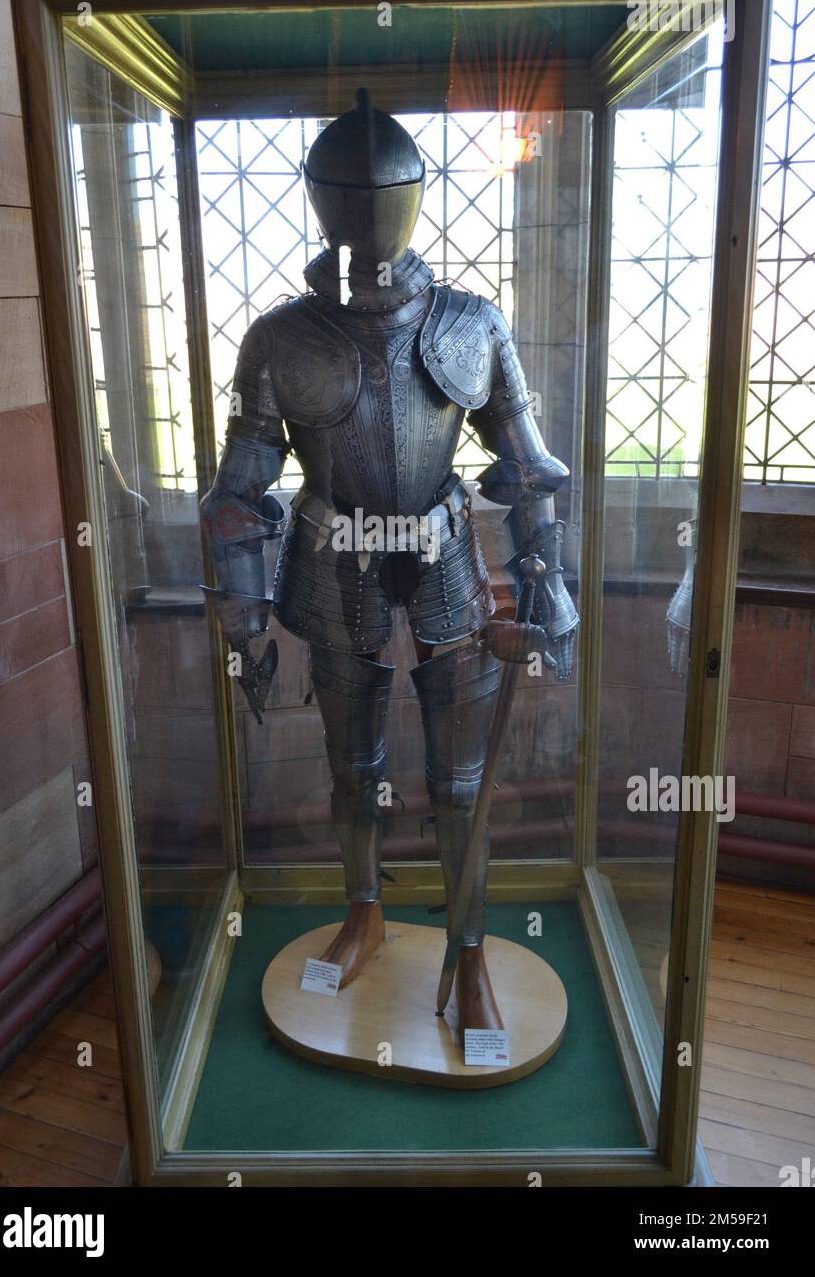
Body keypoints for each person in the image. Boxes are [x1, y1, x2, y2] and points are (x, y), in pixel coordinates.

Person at [201, 90, 578, 1036]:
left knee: (458, 788)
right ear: (323, 202)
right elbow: (239, 492)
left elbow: (527, 470)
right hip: (334, 566)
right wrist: (244, 621)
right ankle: (363, 913)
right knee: (352, 768)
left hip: (447, 561)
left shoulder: (472, 323)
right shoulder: (282, 337)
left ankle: (469, 948)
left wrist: (547, 580)